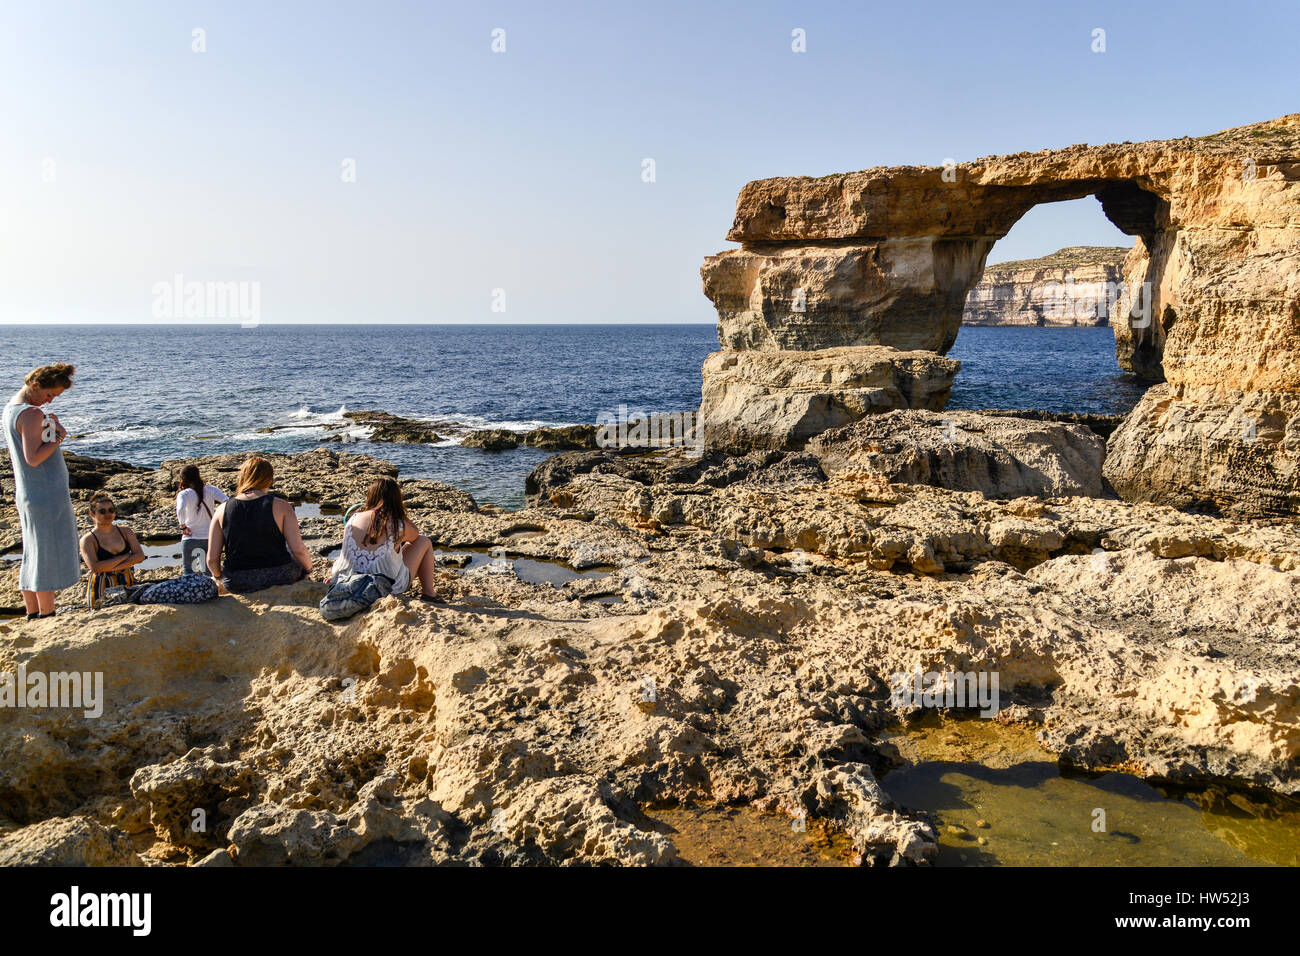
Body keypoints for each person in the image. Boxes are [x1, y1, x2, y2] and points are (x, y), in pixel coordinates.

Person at [3, 363, 80, 619]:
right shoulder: (31, 413)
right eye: (49, 395)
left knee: (32, 552)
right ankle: (47, 613)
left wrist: (48, 429)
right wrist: (59, 435)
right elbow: (33, 458)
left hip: (29, 492)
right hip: (44, 493)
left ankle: (33, 612)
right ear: (36, 385)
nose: (49, 401)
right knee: (46, 552)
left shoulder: (11, 408)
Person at [206, 456, 313, 593]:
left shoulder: (222, 509)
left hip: (237, 580)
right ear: (270, 479)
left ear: (243, 478)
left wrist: (219, 577)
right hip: (280, 576)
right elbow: (298, 549)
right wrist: (308, 570)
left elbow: (211, 559)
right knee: (297, 564)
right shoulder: (282, 506)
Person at [328, 476, 440, 596]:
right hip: (383, 587)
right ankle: (429, 592)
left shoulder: (353, 518)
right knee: (424, 541)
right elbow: (415, 535)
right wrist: (400, 514)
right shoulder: (398, 525)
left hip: (346, 580)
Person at [79, 493, 145, 608]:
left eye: (111, 510)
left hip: (127, 580)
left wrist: (111, 566)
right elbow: (95, 567)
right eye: (102, 511)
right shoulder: (88, 540)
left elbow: (140, 556)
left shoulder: (125, 531)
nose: (108, 514)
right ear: (92, 514)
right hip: (102, 585)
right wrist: (125, 557)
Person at [175, 464, 227, 576]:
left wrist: (183, 526)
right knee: (208, 571)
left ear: (183, 479)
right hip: (210, 537)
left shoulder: (183, 494)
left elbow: (180, 509)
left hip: (190, 537)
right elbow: (227, 502)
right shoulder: (211, 490)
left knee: (188, 571)